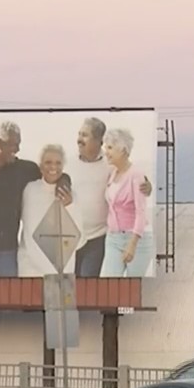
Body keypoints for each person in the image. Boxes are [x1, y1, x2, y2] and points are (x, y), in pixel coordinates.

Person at [0, 121, 71, 277]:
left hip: (6, 254)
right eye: (13, 145)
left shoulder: (24, 170)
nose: (18, 149)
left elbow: (51, 173)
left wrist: (64, 181)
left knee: (8, 294)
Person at [67, 117, 152, 277]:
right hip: (70, 237)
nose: (79, 139)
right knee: (67, 284)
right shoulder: (68, 164)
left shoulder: (110, 164)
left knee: (88, 283)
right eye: (79, 134)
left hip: (97, 237)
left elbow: (132, 176)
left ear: (99, 141)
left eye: (85, 135)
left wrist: (148, 187)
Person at [16, 145, 82, 276]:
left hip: (60, 272)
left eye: (58, 163)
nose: (53, 167)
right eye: (48, 162)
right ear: (40, 166)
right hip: (30, 268)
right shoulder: (29, 190)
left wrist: (69, 206)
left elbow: (79, 238)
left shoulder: (71, 195)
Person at [99, 128, 155, 277]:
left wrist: (132, 244)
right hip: (113, 238)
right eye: (106, 147)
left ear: (123, 150)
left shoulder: (136, 175)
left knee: (132, 287)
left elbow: (141, 212)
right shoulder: (112, 173)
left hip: (137, 240)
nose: (106, 152)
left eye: (110, 148)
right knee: (110, 285)